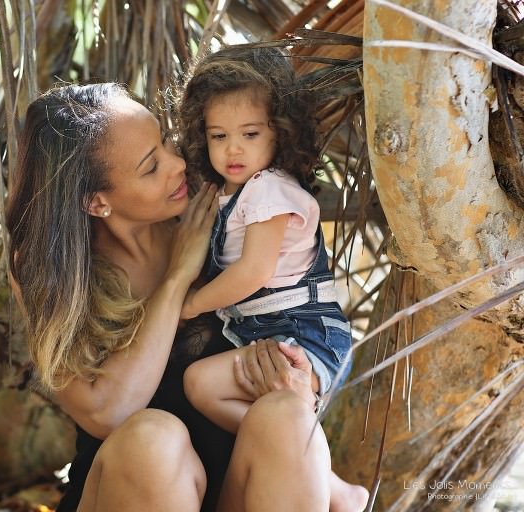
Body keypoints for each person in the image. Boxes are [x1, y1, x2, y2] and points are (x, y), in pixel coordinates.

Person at [6, 81, 338, 511]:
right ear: (96, 203)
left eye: (164, 141)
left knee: (289, 419)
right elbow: (106, 412)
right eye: (150, 167)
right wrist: (178, 278)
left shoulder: (224, 206)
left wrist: (297, 379)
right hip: (129, 490)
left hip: (240, 488)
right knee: (153, 441)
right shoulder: (49, 270)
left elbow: (305, 316)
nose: (177, 163)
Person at [176, 43, 368, 511]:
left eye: (249, 133)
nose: (233, 149)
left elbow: (254, 272)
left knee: (201, 384)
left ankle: (332, 485)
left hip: (303, 333)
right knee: (201, 384)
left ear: (279, 133)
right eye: (219, 136)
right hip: (269, 332)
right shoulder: (229, 193)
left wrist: (191, 304)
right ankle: (327, 479)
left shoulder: (268, 191)